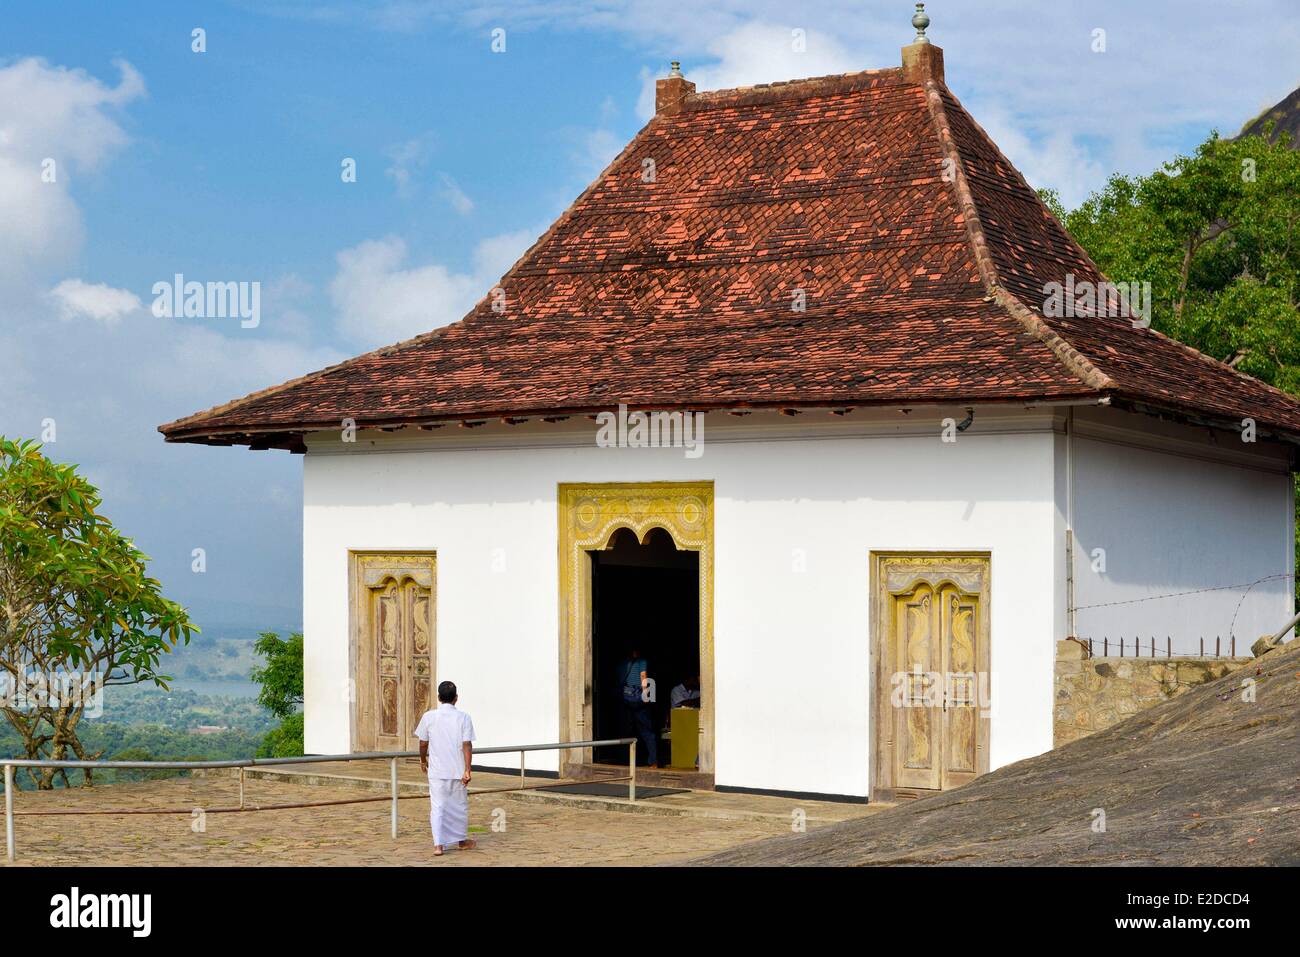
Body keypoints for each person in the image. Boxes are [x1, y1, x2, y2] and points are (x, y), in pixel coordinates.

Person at [415, 680, 477, 856]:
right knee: (459, 805)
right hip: (457, 770)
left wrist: (422, 760)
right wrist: (468, 769)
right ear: (456, 698)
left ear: (438, 697)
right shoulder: (464, 717)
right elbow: (467, 745)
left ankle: (438, 846)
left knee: (438, 807)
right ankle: (461, 841)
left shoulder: (429, 717)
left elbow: (422, 743)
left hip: (437, 771)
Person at [618, 647, 657, 768]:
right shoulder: (642, 662)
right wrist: (646, 694)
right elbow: (643, 675)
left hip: (625, 698)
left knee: (627, 730)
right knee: (647, 731)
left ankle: (625, 761)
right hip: (637, 699)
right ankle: (653, 761)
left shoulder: (623, 664)